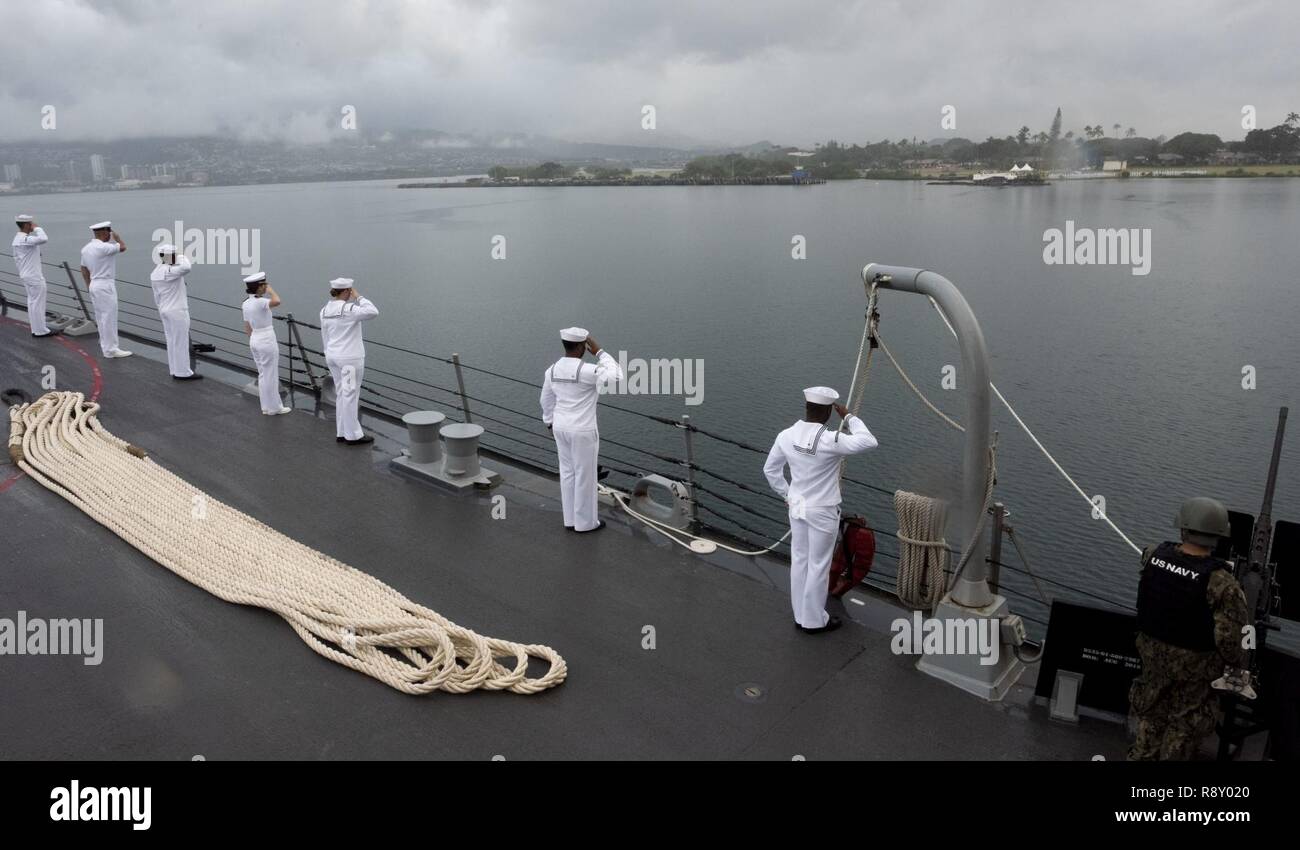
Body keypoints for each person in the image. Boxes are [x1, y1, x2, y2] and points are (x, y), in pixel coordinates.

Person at [1128, 497, 1250, 761]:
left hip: (1152, 660)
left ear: (1183, 527)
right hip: (1194, 671)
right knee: (1182, 731)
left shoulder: (1152, 557)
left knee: (1150, 722)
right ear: (1219, 535)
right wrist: (1237, 670)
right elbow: (1230, 642)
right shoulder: (1223, 584)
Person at [764, 387, 878, 633]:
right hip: (823, 511)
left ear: (807, 407)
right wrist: (848, 417)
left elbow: (770, 471)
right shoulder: (831, 439)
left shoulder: (785, 435)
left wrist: (787, 494)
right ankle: (814, 621)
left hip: (797, 507)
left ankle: (801, 615)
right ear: (829, 411)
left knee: (800, 561)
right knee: (818, 565)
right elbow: (869, 441)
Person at [539, 327, 623, 533]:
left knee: (567, 473)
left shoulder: (551, 370)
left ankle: (570, 520)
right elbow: (616, 376)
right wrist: (600, 352)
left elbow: (546, 400)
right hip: (582, 430)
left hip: (560, 427)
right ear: (582, 346)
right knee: (585, 476)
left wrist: (549, 422)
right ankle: (585, 523)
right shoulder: (588, 371)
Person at [319, 277, 378, 444]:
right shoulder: (350, 309)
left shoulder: (324, 311)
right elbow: (373, 311)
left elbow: (325, 337)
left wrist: (327, 354)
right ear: (346, 291)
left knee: (342, 394)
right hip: (350, 359)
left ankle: (342, 431)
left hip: (333, 357)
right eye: (350, 290)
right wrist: (359, 297)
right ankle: (353, 435)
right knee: (351, 395)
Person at [79, 221, 131, 358]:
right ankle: (112, 349)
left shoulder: (86, 249)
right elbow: (124, 247)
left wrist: (89, 285)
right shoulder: (104, 247)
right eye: (109, 232)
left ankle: (105, 346)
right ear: (104, 232)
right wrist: (117, 238)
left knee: (101, 317)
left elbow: (83, 269)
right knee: (109, 317)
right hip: (105, 284)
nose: (110, 235)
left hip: (94, 284)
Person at [149, 244, 200, 380]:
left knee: (171, 341)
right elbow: (186, 267)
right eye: (174, 254)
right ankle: (183, 372)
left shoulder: (155, 272)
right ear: (170, 256)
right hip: (177, 311)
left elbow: (157, 296)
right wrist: (182, 255)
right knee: (181, 342)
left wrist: (161, 308)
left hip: (164, 310)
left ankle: (175, 369)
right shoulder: (170, 271)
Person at [241, 273, 289, 415]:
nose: (265, 287)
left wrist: (252, 340)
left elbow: (247, 326)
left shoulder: (245, 303)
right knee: (271, 374)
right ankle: (275, 408)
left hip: (255, 338)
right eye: (264, 285)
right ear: (259, 286)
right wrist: (271, 290)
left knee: (263, 374)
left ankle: (266, 406)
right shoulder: (261, 302)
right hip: (266, 339)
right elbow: (277, 301)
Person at [11, 214, 57, 337]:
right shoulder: (25, 239)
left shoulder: (17, 239)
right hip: (34, 277)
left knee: (32, 303)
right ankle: (41, 331)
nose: (33, 224)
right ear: (27, 225)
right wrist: (37, 228)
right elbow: (43, 239)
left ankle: (36, 328)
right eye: (31, 223)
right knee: (38, 303)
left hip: (26, 275)